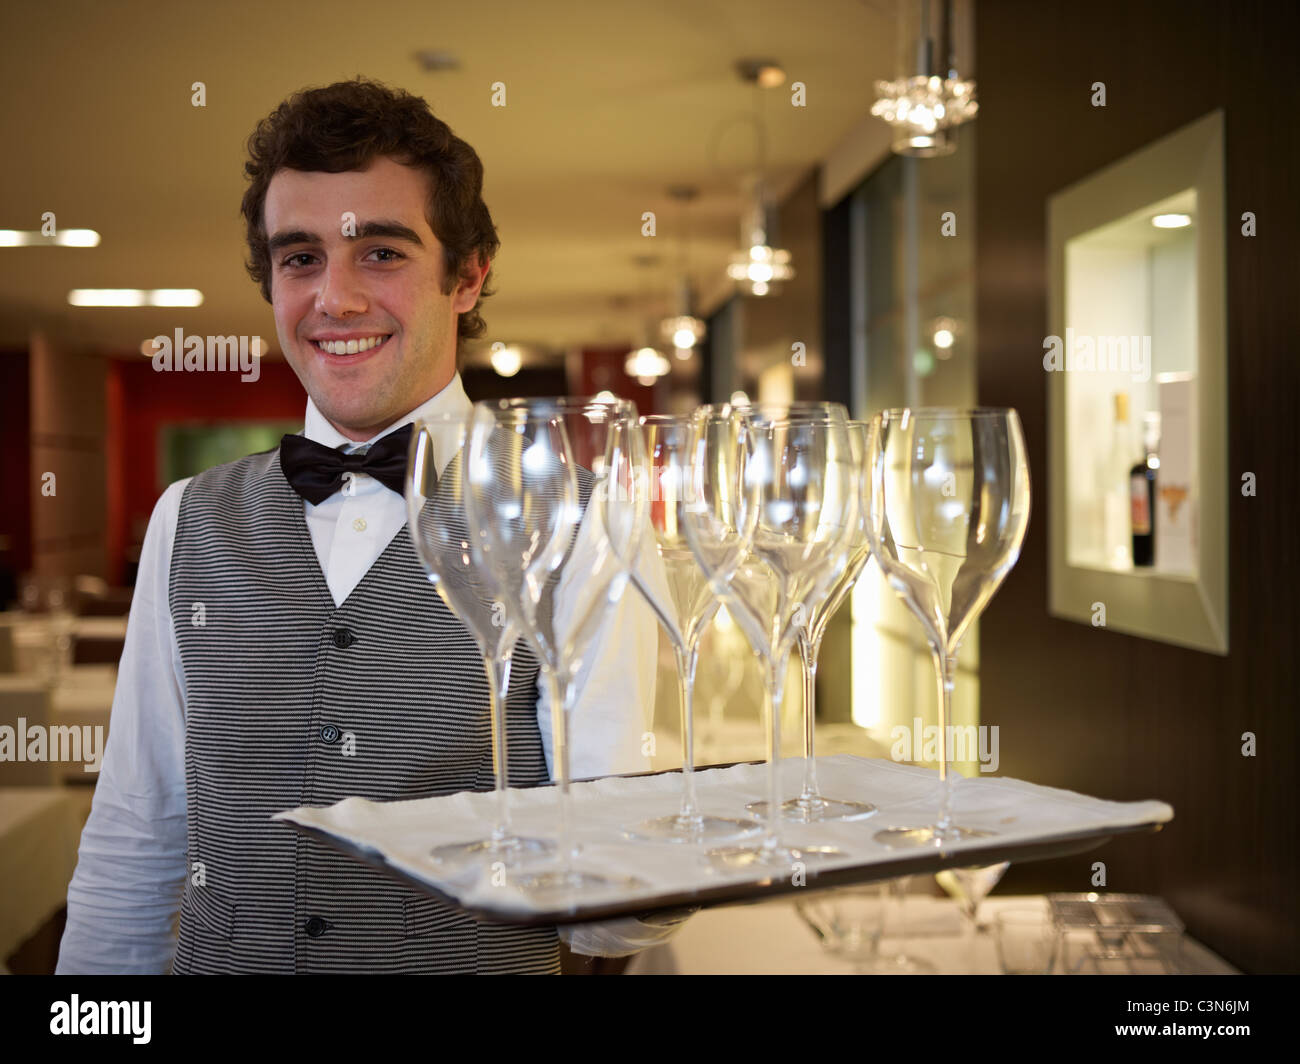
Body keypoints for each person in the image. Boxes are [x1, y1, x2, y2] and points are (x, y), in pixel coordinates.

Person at [57, 76, 683, 974]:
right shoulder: (184, 519)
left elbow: (612, 918)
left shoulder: (585, 522)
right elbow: (136, 833)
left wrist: (670, 855)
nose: (335, 300)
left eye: (381, 254)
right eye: (300, 257)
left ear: (468, 275)